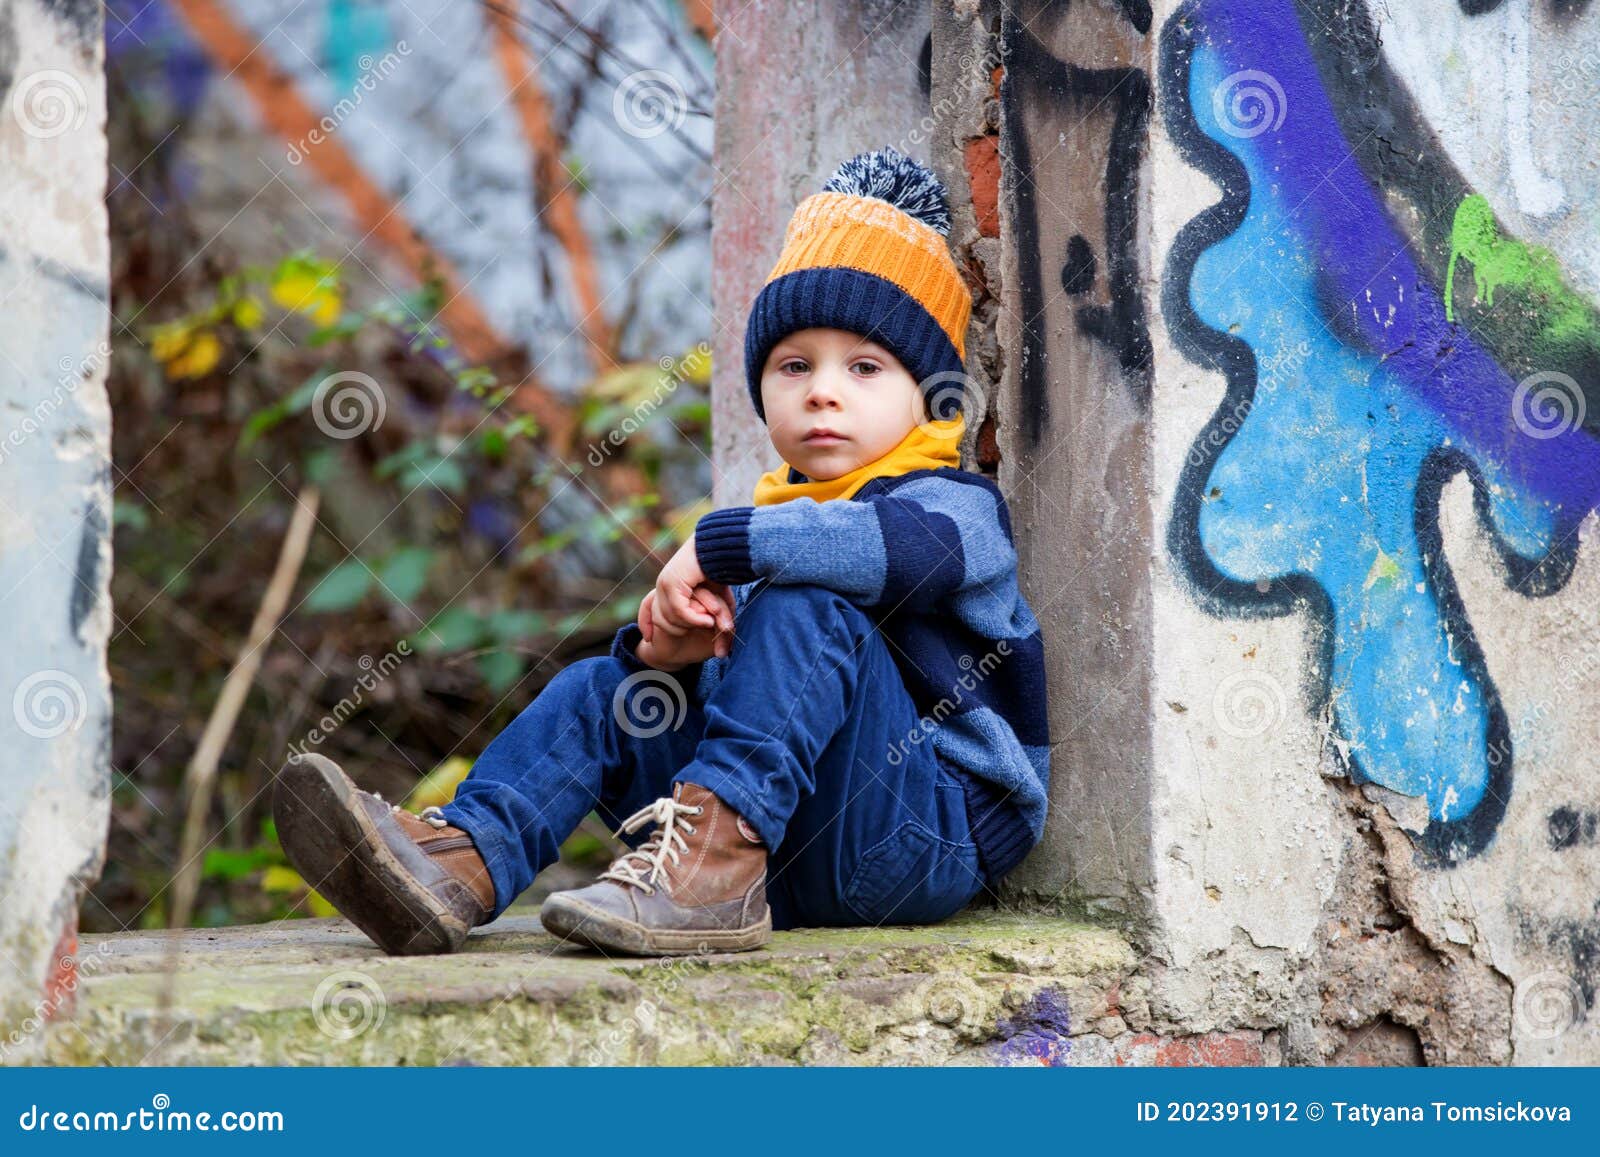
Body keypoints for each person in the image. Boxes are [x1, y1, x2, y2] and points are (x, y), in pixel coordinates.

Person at [272, 146, 1050, 957]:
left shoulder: (954, 510)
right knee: (604, 688)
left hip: (921, 837)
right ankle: (461, 861)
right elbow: (756, 704)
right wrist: (668, 660)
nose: (823, 390)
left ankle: (710, 872)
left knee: (808, 598)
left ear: (930, 397)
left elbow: (887, 553)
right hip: (783, 851)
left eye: (865, 367)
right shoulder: (775, 528)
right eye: (794, 365)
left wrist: (720, 543)